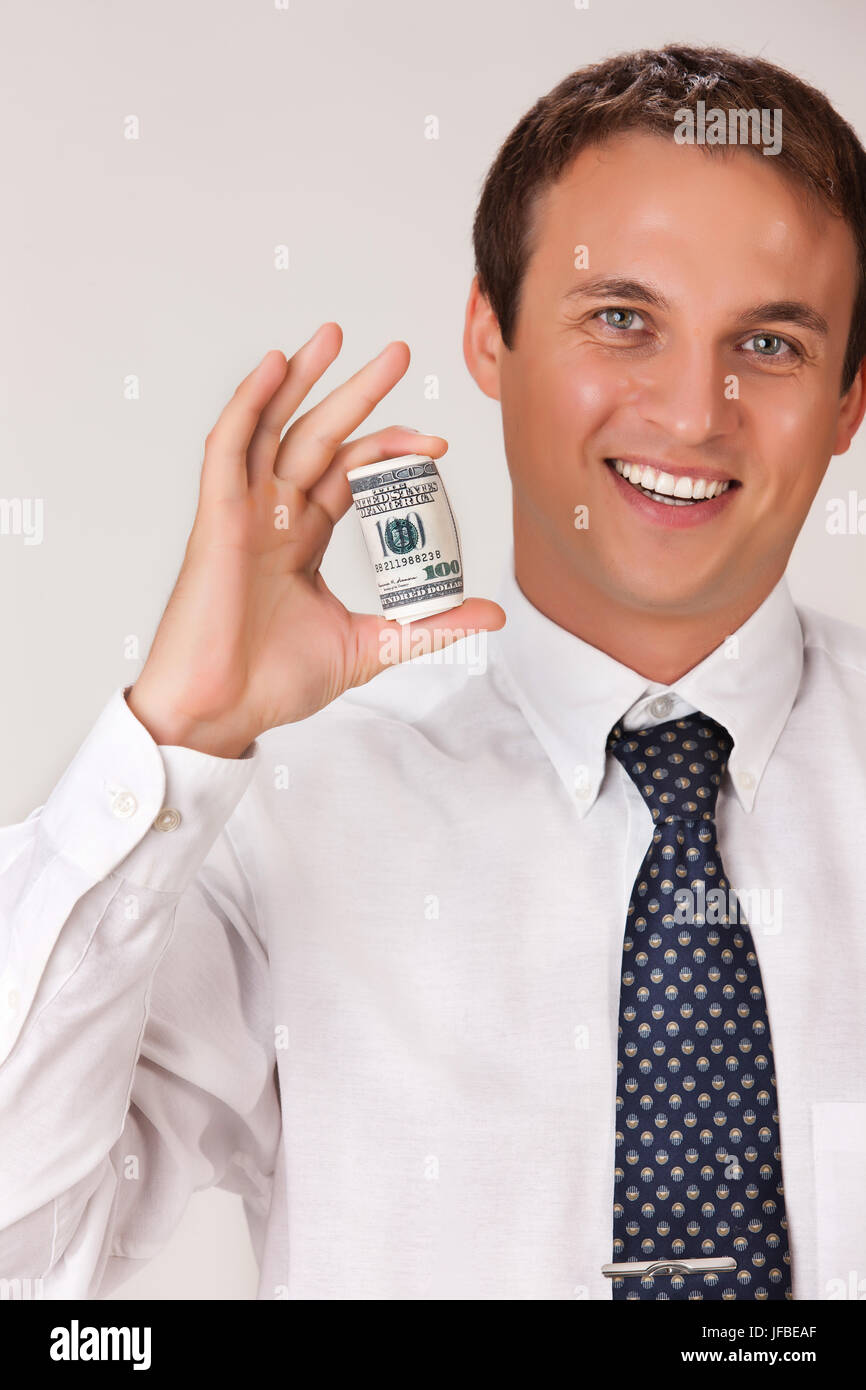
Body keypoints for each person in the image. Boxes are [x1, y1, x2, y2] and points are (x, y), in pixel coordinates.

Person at [2, 43, 866, 1302]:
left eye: (772, 344)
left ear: (848, 404)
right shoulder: (284, 813)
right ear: (490, 336)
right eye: (621, 319)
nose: (692, 412)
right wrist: (175, 732)